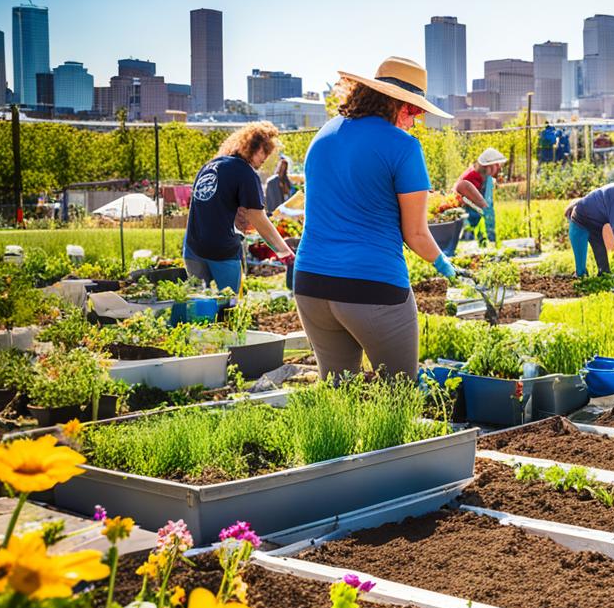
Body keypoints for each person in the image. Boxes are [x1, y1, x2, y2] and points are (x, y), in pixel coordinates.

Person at [293, 56, 457, 381]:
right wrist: (445, 265)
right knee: (398, 393)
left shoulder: (323, 135)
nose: (415, 120)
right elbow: (416, 234)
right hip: (372, 288)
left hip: (311, 283)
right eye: (413, 110)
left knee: (340, 392)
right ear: (395, 103)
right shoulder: (404, 147)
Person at [183, 121, 293, 294]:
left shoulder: (210, 166)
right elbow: (258, 218)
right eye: (264, 150)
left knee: (195, 306)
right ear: (252, 147)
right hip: (222, 251)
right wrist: (284, 252)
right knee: (229, 306)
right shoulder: (245, 172)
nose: (265, 158)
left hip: (192, 248)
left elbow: (211, 205)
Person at [565, 181, 614, 277]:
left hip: (596, 221)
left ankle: (605, 274)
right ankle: (602, 275)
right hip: (585, 222)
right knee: (583, 270)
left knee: (604, 269)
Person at [454, 148, 507, 246]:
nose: (499, 168)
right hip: (465, 214)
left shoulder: (484, 177)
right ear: (488, 166)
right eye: (496, 165)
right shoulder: (473, 177)